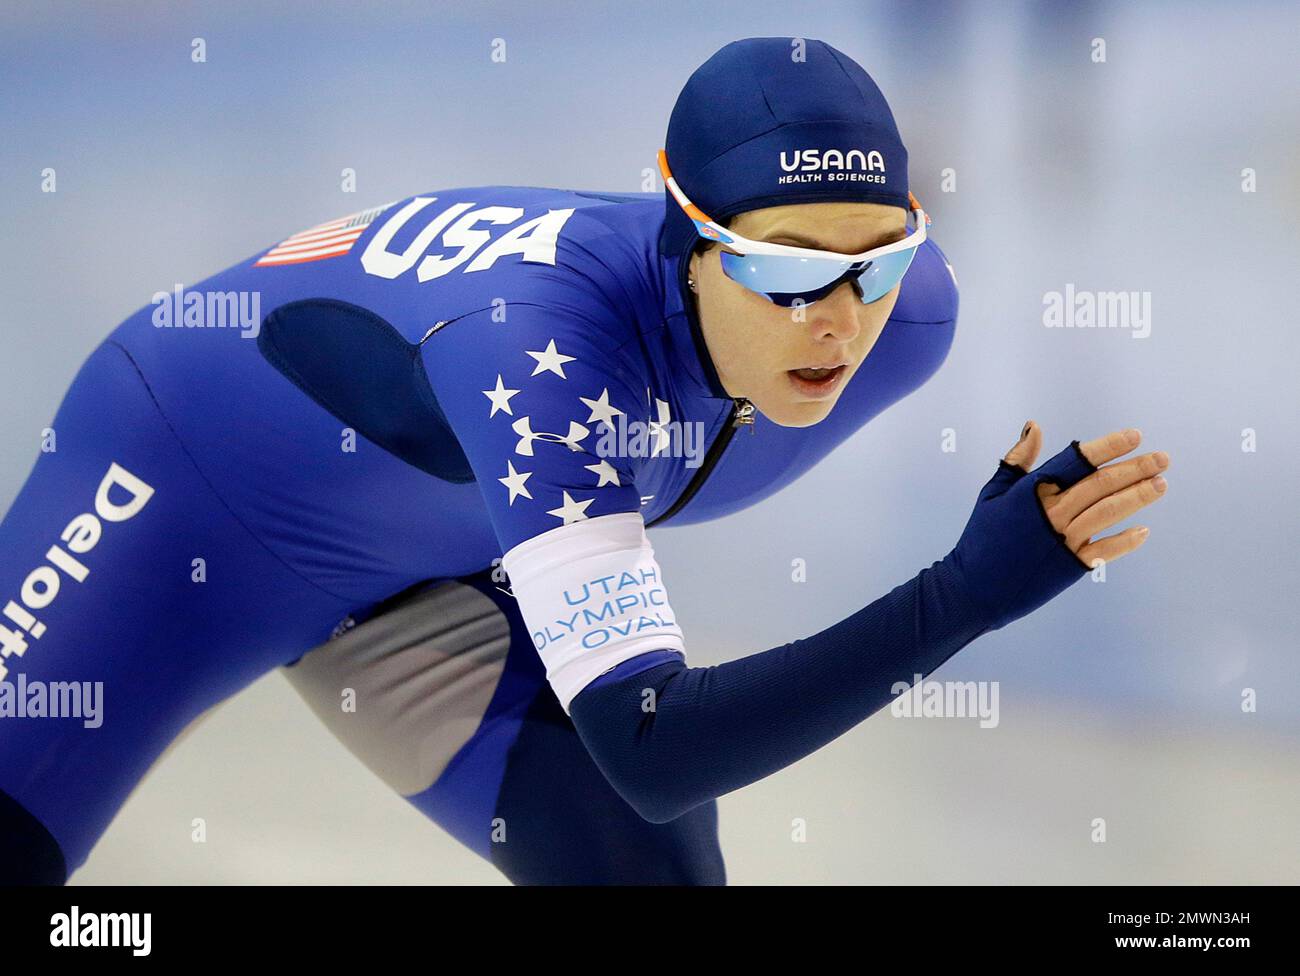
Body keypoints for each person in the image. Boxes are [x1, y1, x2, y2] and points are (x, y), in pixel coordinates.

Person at [0, 36, 1168, 885]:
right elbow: (656, 746)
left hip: (437, 557)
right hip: (173, 497)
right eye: (784, 267)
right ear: (684, 235)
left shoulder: (909, 321)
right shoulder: (543, 352)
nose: (836, 320)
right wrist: (964, 594)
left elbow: (639, 781)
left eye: (875, 257)